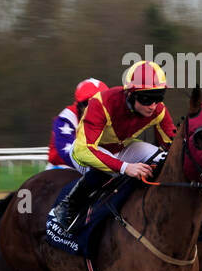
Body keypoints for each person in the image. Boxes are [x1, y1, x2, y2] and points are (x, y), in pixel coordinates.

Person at [50, 61, 176, 234]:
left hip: (121, 148)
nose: (153, 105)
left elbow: (172, 145)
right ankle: (68, 205)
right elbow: (84, 150)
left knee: (160, 158)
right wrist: (125, 167)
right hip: (84, 151)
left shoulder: (158, 110)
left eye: (159, 97)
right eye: (147, 98)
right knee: (114, 169)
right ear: (130, 94)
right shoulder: (102, 103)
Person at [47, 78, 107, 170]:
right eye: (88, 103)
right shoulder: (66, 119)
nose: (94, 109)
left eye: (100, 103)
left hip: (94, 165)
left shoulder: (110, 117)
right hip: (62, 167)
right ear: (79, 105)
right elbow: (67, 153)